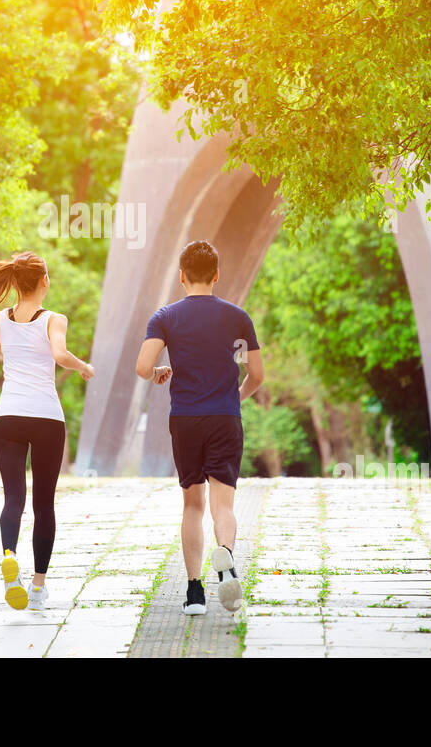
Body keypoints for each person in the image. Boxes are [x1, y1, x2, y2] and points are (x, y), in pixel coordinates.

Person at [0, 251, 94, 610]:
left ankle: (10, 557)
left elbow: (10, 358)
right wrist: (83, 365)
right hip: (45, 417)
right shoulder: (55, 319)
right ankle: (39, 587)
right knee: (44, 504)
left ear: (15, 282)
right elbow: (58, 355)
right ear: (45, 281)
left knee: (13, 498)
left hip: (8, 416)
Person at [135, 240, 263, 616]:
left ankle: (194, 592)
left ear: (182, 276)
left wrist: (159, 371)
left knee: (193, 503)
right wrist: (234, 398)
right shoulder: (237, 316)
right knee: (223, 504)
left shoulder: (165, 317)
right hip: (225, 417)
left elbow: (143, 368)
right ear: (216, 275)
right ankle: (226, 561)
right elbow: (257, 375)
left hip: (186, 419)